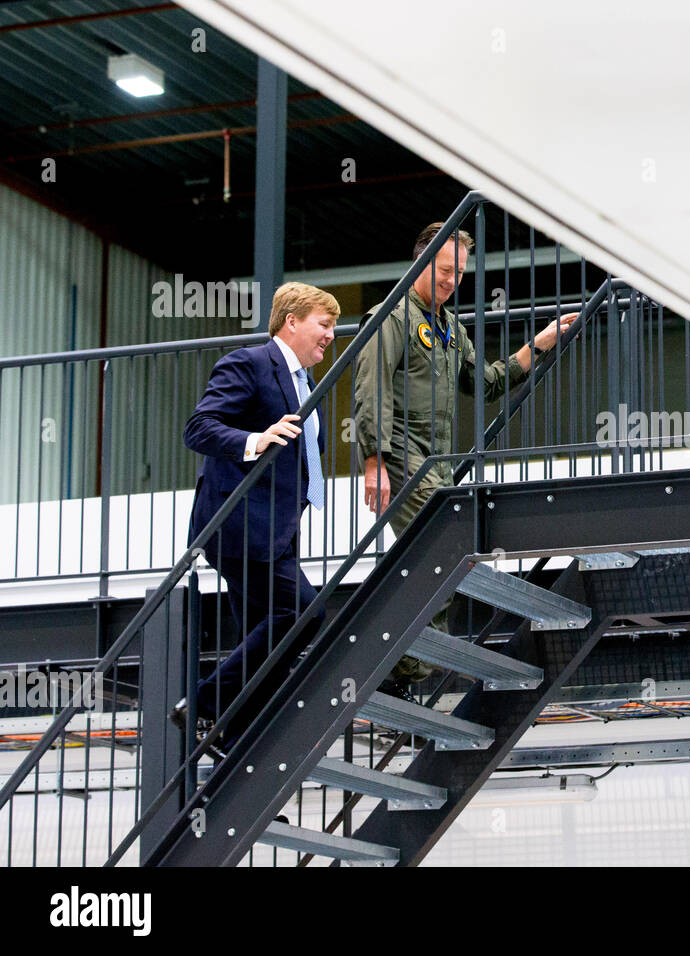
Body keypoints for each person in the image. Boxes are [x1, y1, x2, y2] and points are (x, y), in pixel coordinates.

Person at [353, 222, 575, 696]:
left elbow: (487, 382)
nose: (452, 281)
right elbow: (369, 390)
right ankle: (401, 665)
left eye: (460, 273)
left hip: (438, 459)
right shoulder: (391, 316)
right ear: (421, 261)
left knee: (440, 557)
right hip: (400, 453)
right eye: (445, 270)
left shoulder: (449, 326)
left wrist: (541, 342)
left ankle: (402, 668)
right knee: (449, 542)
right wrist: (373, 462)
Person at [173, 281, 340, 750]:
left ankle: (235, 738)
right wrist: (254, 440)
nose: (331, 335)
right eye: (324, 324)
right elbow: (199, 427)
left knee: (265, 639)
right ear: (291, 321)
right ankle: (206, 703)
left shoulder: (305, 384)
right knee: (303, 613)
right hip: (240, 523)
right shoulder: (249, 363)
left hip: (277, 530)